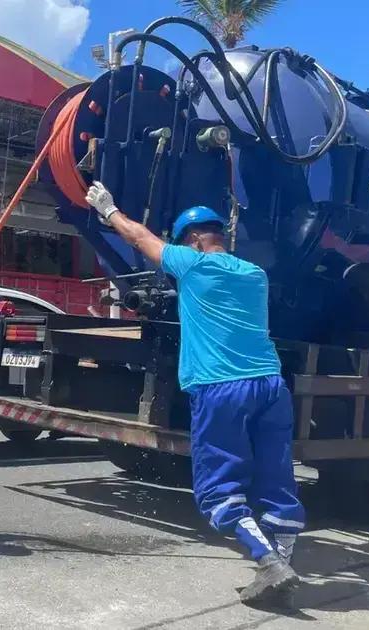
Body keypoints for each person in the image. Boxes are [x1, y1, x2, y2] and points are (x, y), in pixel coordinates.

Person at [84, 182, 304, 605]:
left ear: (195, 240)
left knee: (218, 488)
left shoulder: (192, 264)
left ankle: (268, 562)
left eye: (184, 242)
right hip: (271, 387)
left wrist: (108, 209)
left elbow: (140, 238)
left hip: (221, 387)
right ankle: (282, 563)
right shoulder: (255, 274)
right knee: (277, 481)